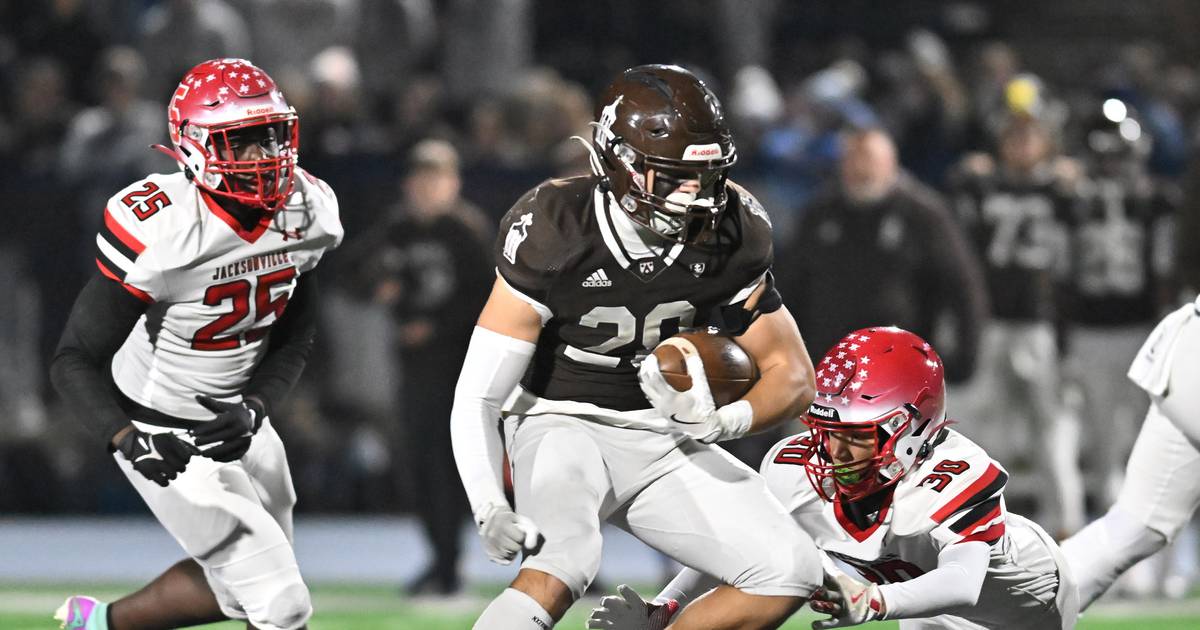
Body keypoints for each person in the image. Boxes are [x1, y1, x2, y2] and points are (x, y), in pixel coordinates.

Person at [451, 64, 823, 630]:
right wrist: (486, 502)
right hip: (560, 419)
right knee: (566, 559)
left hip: (661, 434)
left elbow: (792, 373)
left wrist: (723, 422)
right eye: (673, 177)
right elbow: (477, 395)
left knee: (789, 569)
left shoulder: (734, 231)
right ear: (619, 163)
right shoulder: (556, 225)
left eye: (707, 177)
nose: (696, 196)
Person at [49, 57, 343, 630]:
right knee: (281, 602)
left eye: (270, 136)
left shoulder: (309, 210)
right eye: (243, 141)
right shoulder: (164, 228)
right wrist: (128, 440)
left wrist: (257, 405)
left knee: (237, 593)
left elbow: (294, 331)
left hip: (239, 420)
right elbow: (74, 358)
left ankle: (94, 624)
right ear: (194, 147)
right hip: (162, 428)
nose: (264, 157)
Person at [591, 327, 1079, 630]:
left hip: (1028, 605)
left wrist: (874, 601)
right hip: (924, 607)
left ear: (911, 428)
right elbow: (740, 548)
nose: (834, 452)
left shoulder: (953, 470)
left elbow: (962, 582)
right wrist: (665, 608)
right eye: (827, 431)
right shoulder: (795, 466)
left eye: (856, 436)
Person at [350, 139, 492, 595]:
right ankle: (441, 559)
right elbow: (353, 273)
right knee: (420, 465)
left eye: (438, 179)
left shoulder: (467, 232)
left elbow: (488, 300)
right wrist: (379, 286)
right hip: (414, 369)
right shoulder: (396, 229)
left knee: (455, 468)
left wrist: (432, 327)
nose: (428, 189)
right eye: (421, 180)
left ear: (453, 184)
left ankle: (451, 563)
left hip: (460, 367)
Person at [948, 113, 1085, 535]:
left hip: (1042, 323)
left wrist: (1077, 184)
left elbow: (1084, 243)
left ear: (1047, 143)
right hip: (992, 321)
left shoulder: (1061, 189)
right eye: (1015, 136)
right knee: (981, 430)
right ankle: (978, 525)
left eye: (1031, 137)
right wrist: (963, 174)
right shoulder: (982, 183)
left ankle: (1066, 526)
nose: (1022, 146)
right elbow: (953, 209)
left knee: (1054, 431)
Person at [780, 127, 987, 384]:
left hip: (900, 372)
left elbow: (963, 286)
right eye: (853, 159)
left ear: (891, 163)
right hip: (828, 368)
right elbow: (788, 285)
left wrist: (965, 358)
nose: (861, 169)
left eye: (869, 159)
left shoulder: (923, 215)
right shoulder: (819, 213)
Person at [1061, 294, 1200, 610]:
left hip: (1168, 337)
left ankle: (1171, 568)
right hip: (1114, 332)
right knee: (1126, 506)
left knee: (1140, 514)